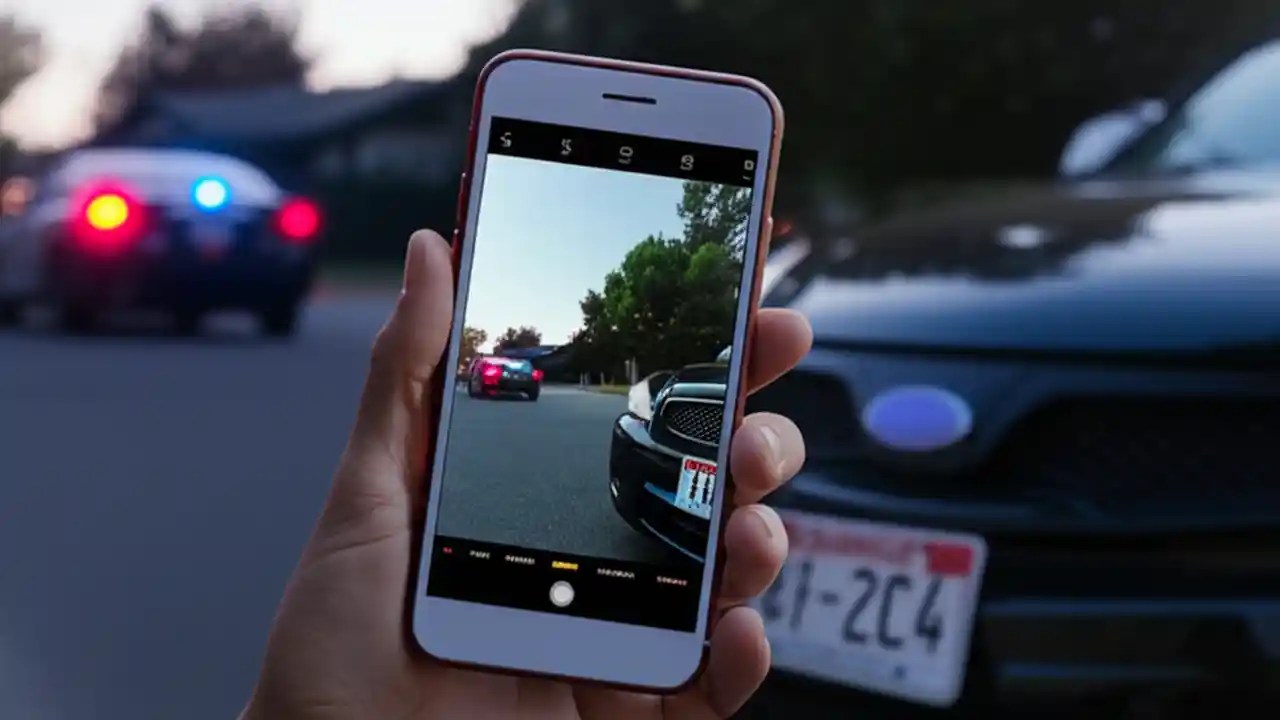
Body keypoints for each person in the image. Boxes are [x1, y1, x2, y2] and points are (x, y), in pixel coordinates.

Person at [239, 230, 812, 720]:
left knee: (745, 533)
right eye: (502, 369)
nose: (511, 372)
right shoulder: (495, 366)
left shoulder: (538, 370)